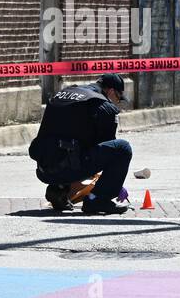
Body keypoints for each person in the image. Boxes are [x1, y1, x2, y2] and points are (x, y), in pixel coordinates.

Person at [29, 73, 132, 215]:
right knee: (122, 148)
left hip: (43, 169)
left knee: (68, 144)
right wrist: (113, 184)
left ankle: (58, 190)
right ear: (111, 91)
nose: (117, 103)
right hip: (67, 168)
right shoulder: (104, 106)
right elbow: (107, 152)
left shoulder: (64, 93)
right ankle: (97, 200)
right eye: (118, 98)